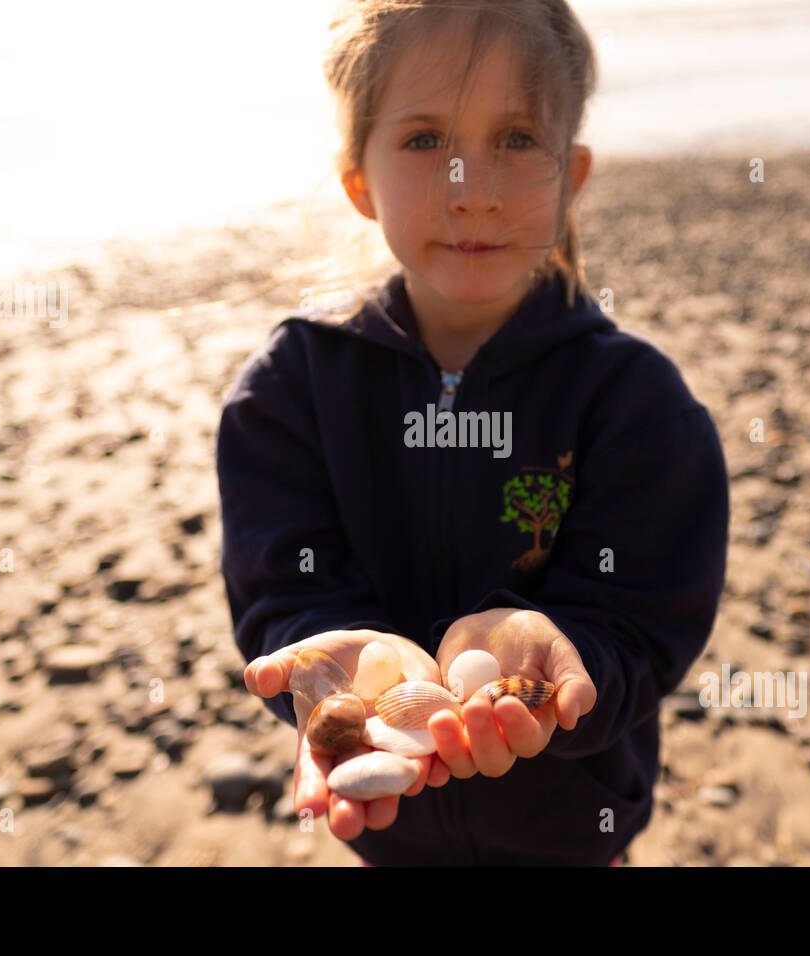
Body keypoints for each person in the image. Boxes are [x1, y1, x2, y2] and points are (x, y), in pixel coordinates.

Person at [216, 0, 729, 865]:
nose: (473, 189)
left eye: (517, 139)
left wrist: (564, 658)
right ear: (359, 183)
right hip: (390, 813)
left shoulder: (634, 400)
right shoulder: (292, 388)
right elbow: (283, 594)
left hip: (570, 822)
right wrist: (338, 663)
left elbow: (644, 621)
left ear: (572, 174)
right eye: (424, 141)